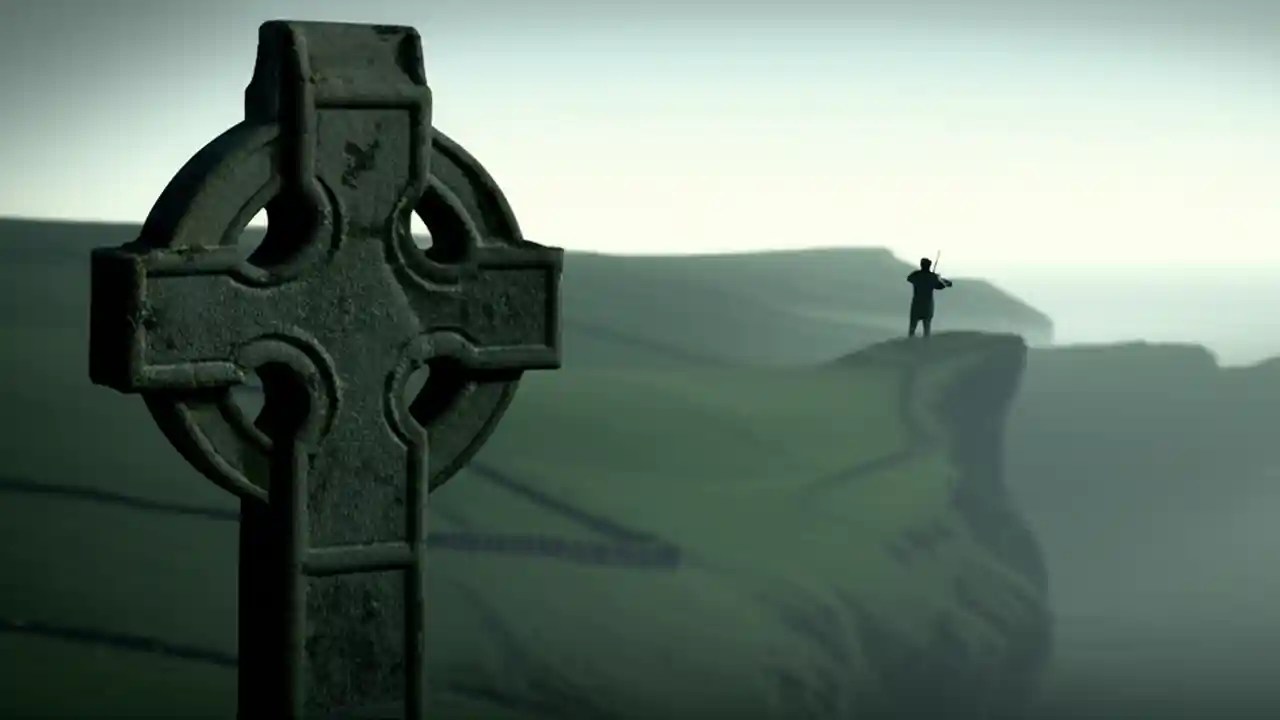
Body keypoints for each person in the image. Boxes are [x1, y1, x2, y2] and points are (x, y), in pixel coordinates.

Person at [906, 258, 952, 337]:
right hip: (927, 305)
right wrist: (938, 278)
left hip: (916, 304)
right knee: (927, 327)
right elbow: (942, 286)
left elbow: (909, 278)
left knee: (912, 327)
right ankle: (926, 344)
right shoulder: (932, 277)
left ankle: (909, 343)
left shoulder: (916, 275)